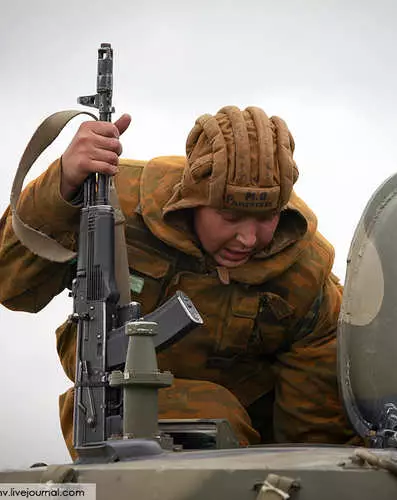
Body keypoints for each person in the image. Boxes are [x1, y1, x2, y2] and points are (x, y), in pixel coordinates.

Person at [0, 105, 354, 458]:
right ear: (192, 201)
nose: (247, 238)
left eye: (266, 217)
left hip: (251, 432)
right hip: (121, 405)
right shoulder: (112, 202)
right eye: (230, 216)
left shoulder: (306, 270)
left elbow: (314, 423)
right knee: (216, 415)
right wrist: (61, 183)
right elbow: (10, 284)